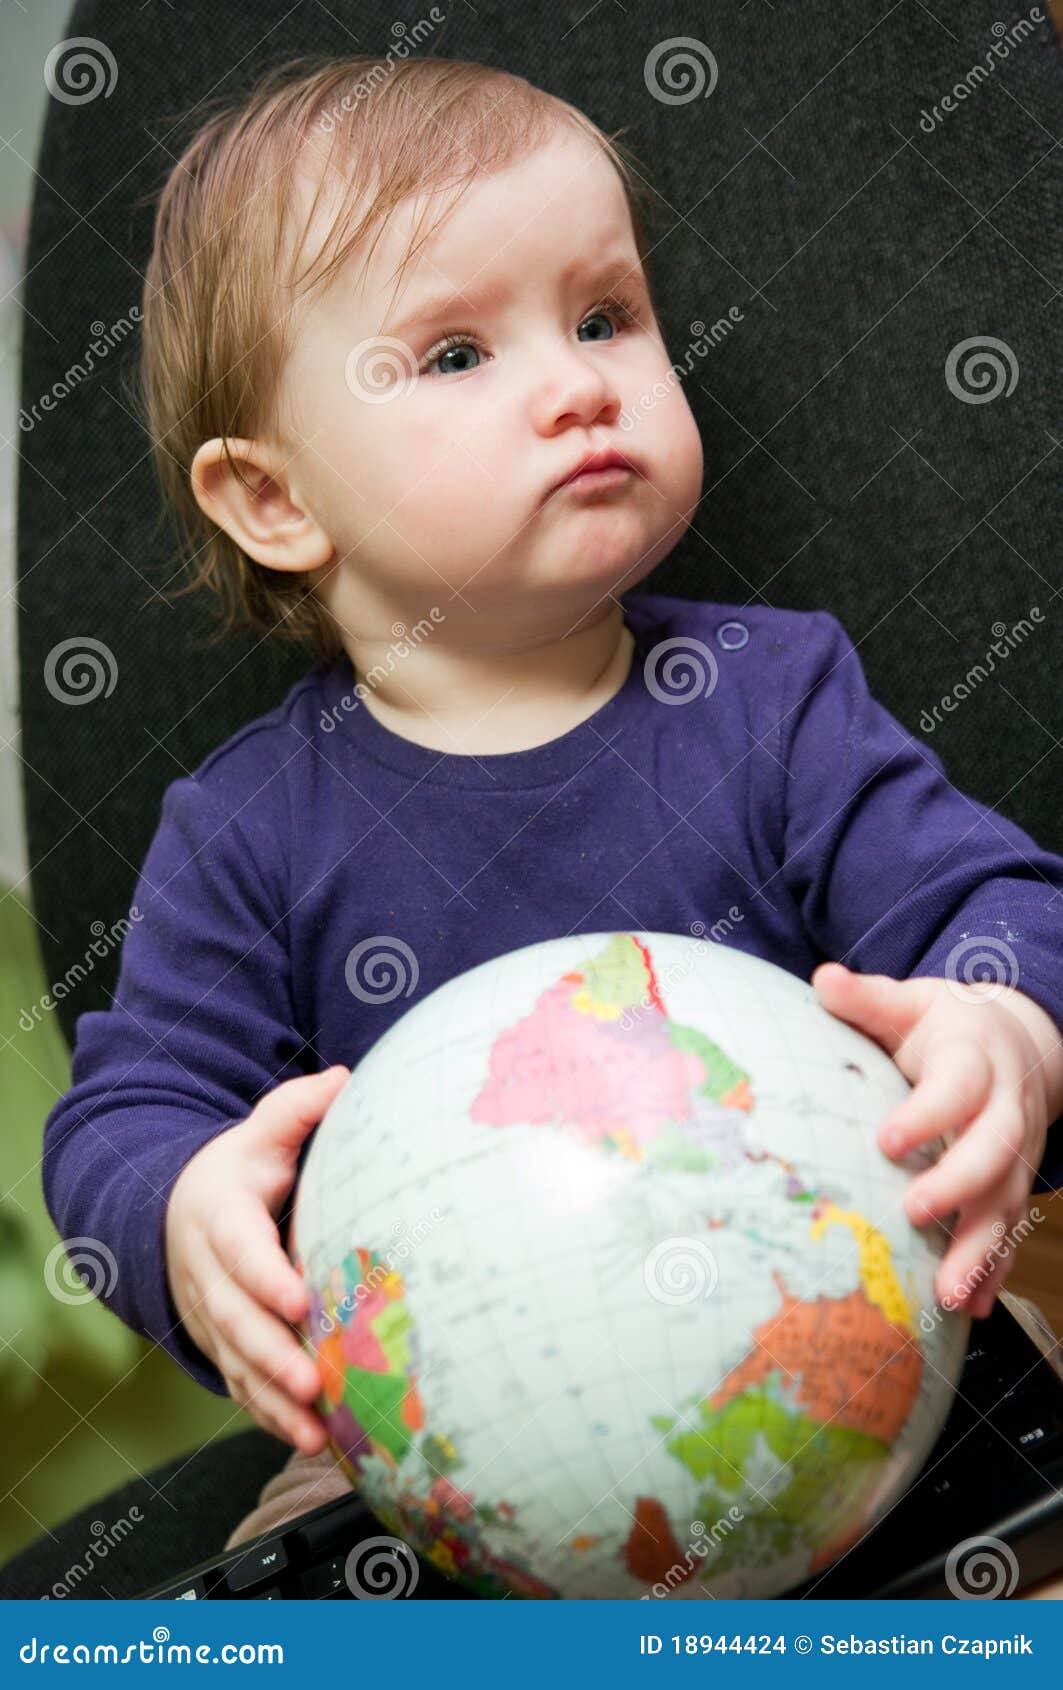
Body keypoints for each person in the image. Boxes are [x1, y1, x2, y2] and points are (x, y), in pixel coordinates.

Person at [41, 53, 1063, 1574]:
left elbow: (998, 903)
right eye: (455, 353)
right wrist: (184, 1213)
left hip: (851, 1374)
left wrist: (1011, 1034)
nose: (580, 380)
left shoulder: (773, 700)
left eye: (606, 318)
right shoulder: (245, 831)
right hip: (435, 1463)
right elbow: (125, 1117)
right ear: (273, 500)